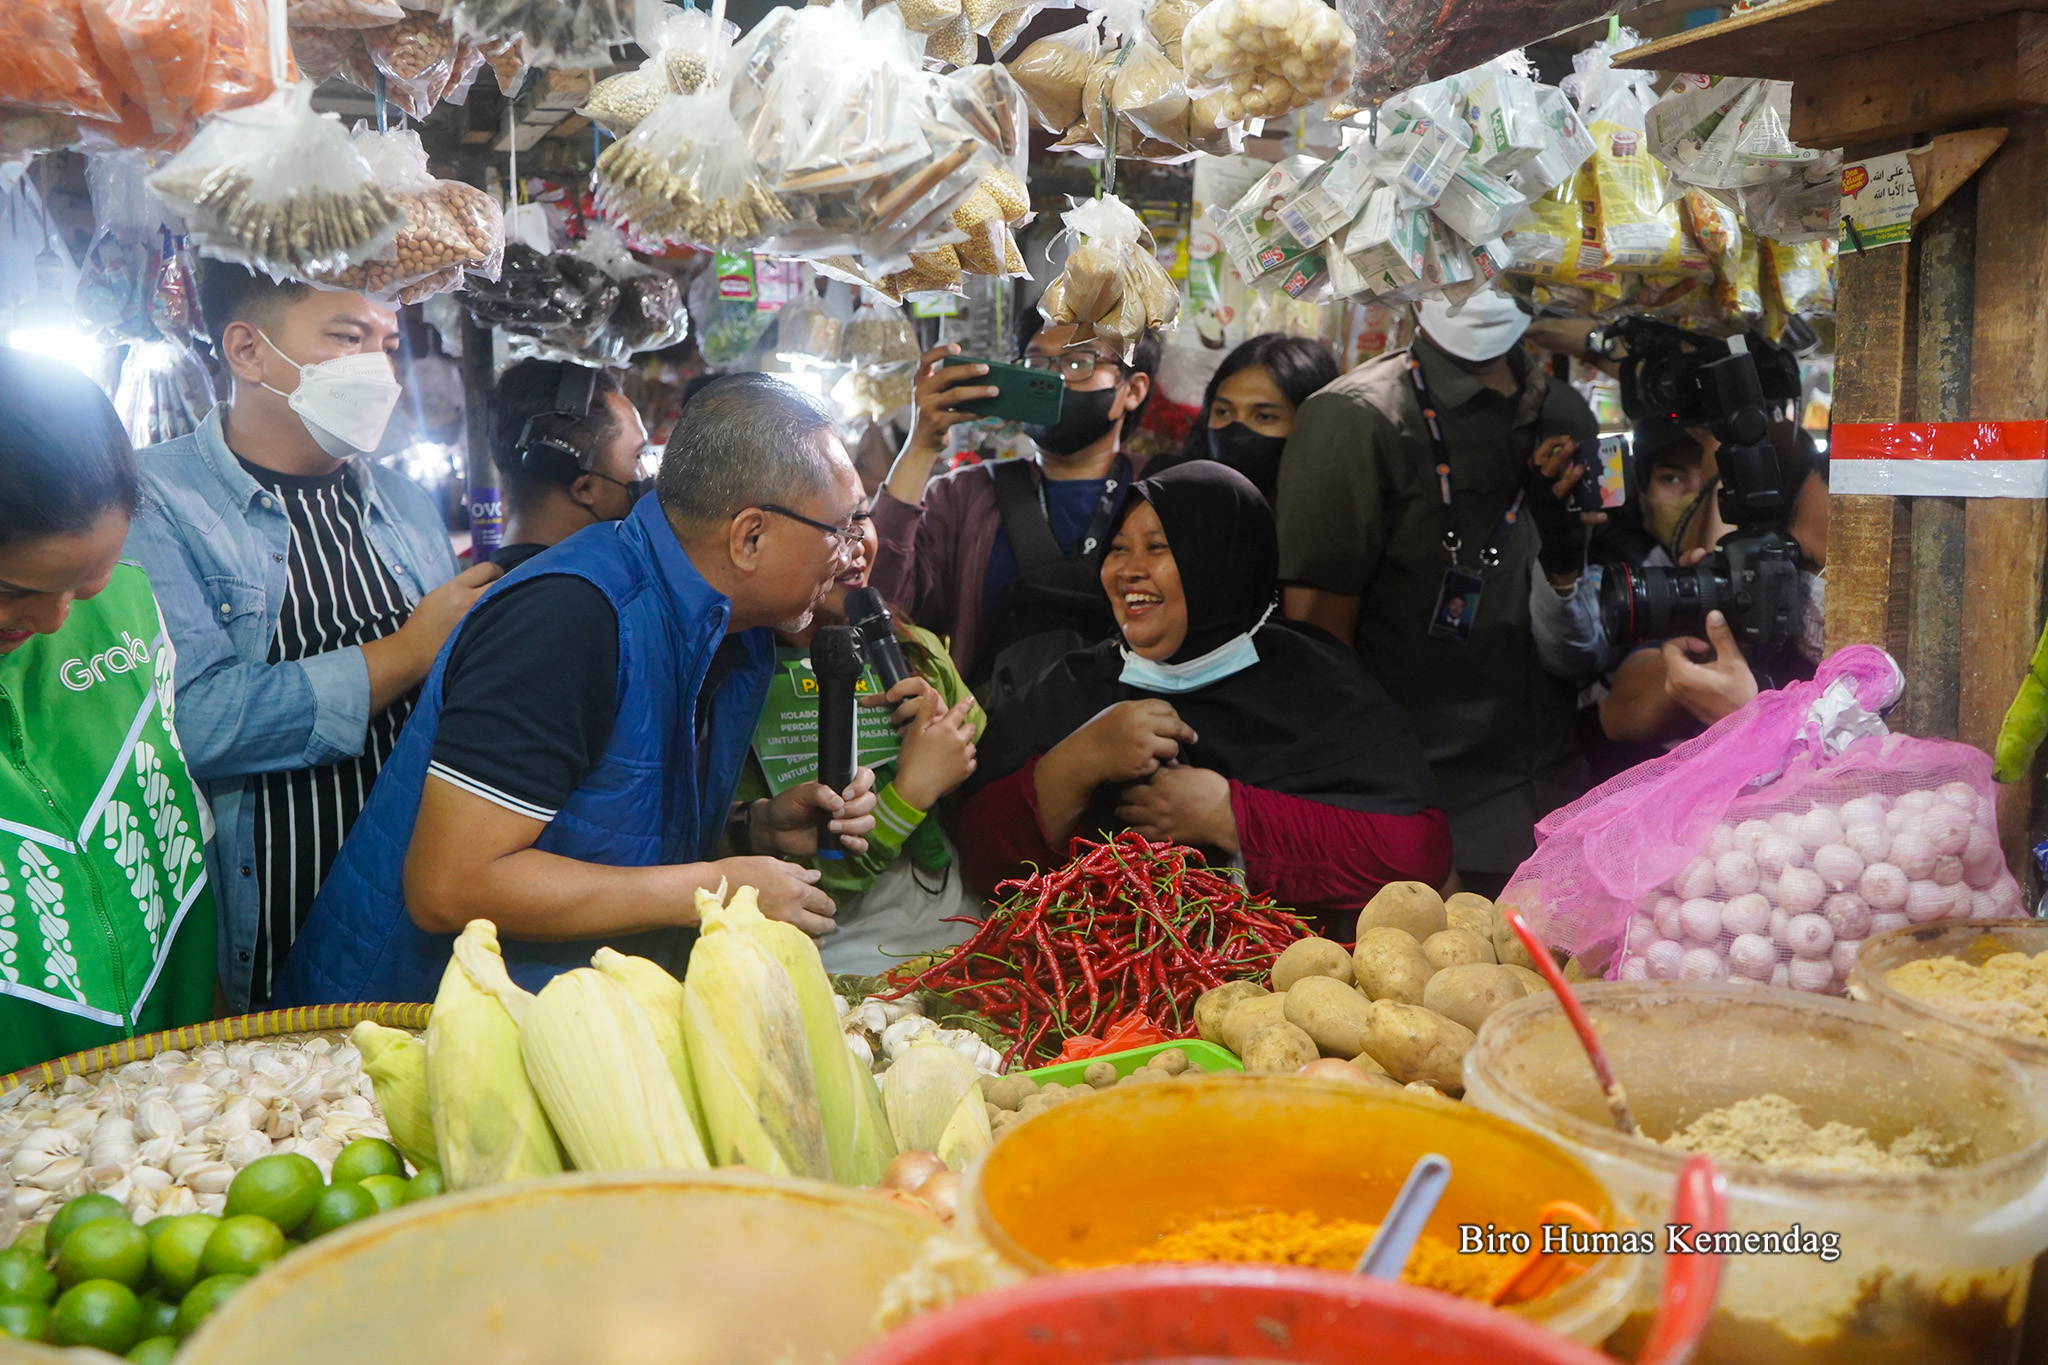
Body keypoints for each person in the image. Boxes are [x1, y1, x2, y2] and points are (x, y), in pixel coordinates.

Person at [271, 375, 882, 1003]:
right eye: (841, 526)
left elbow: (599, 820)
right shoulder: (572, 618)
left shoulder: (732, 628)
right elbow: (451, 886)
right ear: (749, 536)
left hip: (571, 1015)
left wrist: (751, 831)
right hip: (409, 1026)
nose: (855, 551)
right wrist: (717, 889)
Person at [124, 264, 501, 1012]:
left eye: (388, 343)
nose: (379, 368)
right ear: (247, 350)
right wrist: (408, 651)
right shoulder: (155, 500)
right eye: (348, 336)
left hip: (412, 916)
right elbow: (194, 721)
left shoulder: (401, 501)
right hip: (268, 930)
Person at [958, 463, 1450, 937]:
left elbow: (1417, 854)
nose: (1128, 571)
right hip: (1094, 992)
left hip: (1286, 994)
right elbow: (979, 857)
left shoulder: (1311, 681)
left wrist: (1229, 815)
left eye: (1158, 548)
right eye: (1118, 549)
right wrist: (1075, 765)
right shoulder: (1076, 684)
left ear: (1222, 560)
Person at [1274, 290, 1599, 896]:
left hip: (1554, 806)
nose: (1481, 289)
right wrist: (1386, 819)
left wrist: (1562, 559)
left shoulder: (1565, 412)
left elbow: (1580, 644)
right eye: (1458, 268)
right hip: (1425, 811)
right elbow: (1319, 650)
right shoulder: (1356, 417)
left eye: (1500, 267)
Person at [0, 351, 217, 1072]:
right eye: (13, 591)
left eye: (84, 583)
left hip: (171, 1078)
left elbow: (172, 832)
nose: (56, 619)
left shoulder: (129, 611)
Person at [732, 504, 985, 974]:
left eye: (861, 518)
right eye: (831, 527)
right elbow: (802, 888)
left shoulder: (916, 648)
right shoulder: (737, 692)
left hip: (964, 940)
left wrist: (942, 732)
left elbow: (977, 771)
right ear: (755, 541)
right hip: (840, 967)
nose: (855, 545)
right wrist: (909, 793)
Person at [871, 314, 1162, 709]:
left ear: (1133, 389)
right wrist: (922, 446)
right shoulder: (962, 495)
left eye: (1078, 363)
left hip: (1139, 733)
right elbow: (884, 605)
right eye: (1037, 364)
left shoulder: (1165, 491)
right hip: (996, 747)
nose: (1056, 379)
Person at [1595, 416, 1829, 764]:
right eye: (1797, 557)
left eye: (1819, 567)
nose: (1802, 582)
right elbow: (1619, 716)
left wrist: (1753, 720)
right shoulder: (1775, 627)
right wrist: (1712, 640)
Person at [488, 359, 652, 571]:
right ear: (584, 487)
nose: (645, 474)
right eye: (638, 457)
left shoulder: (503, 585)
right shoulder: (580, 597)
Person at [1166, 333, 1339, 502]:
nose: (1236, 431)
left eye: (1264, 416)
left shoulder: (1334, 524)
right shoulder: (1179, 506)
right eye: (1223, 412)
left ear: (1313, 424)